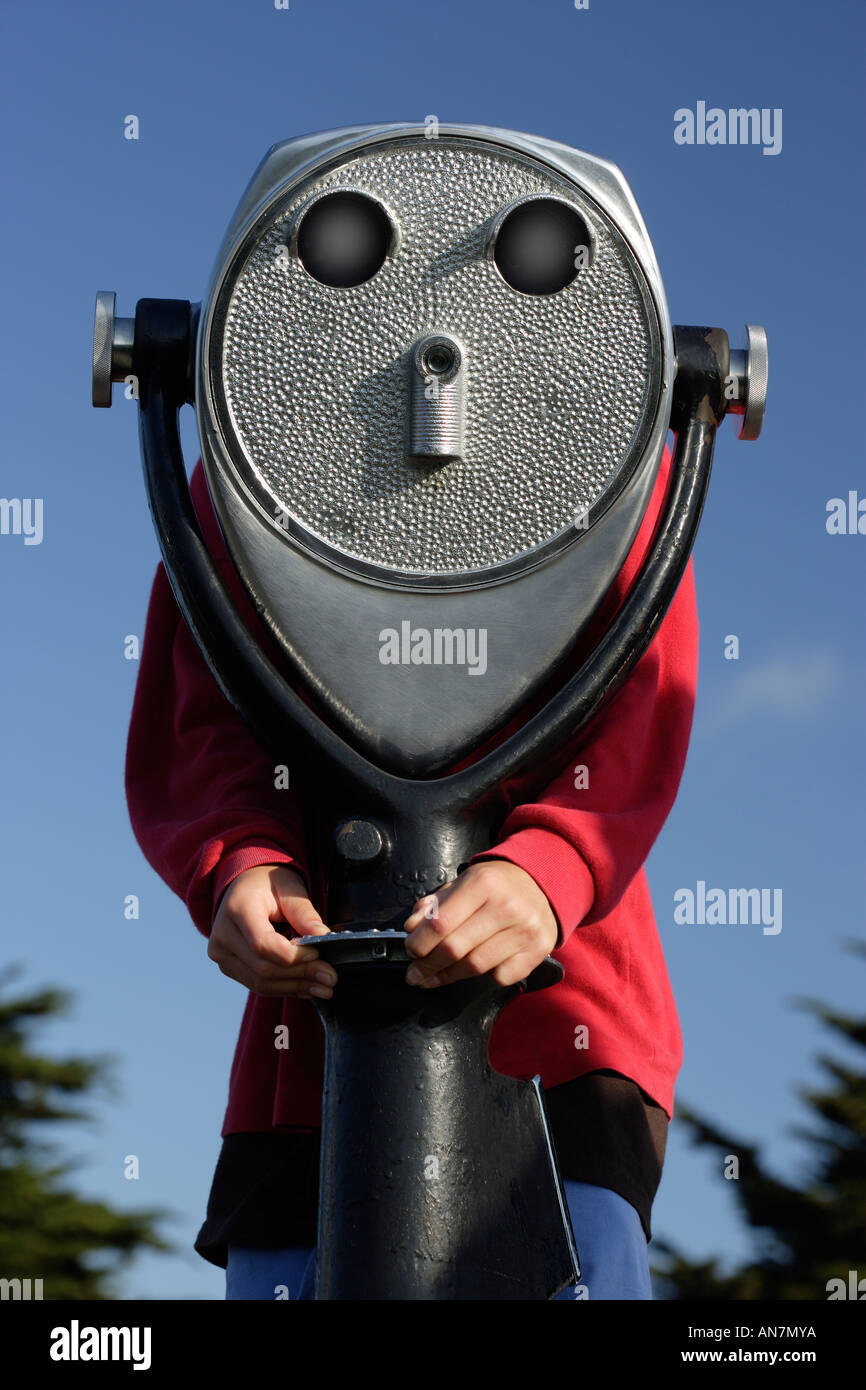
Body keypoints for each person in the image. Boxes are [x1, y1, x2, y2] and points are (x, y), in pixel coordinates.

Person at [125, 440, 698, 1300]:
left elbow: (645, 681)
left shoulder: (607, 419)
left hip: (558, 1031)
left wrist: (555, 864)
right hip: (308, 1059)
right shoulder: (259, 421)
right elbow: (208, 689)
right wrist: (241, 854)